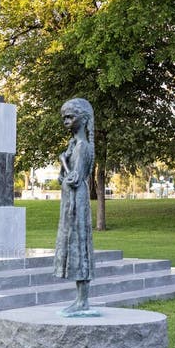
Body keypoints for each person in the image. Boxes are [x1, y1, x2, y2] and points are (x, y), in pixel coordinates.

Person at [53, 98, 99, 317]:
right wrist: (63, 164)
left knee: (79, 246)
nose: (66, 121)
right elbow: (63, 178)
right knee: (74, 246)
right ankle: (80, 300)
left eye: (70, 117)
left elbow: (72, 179)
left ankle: (82, 301)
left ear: (83, 119)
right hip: (71, 199)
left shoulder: (82, 147)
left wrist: (63, 162)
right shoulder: (74, 145)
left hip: (76, 200)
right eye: (64, 118)